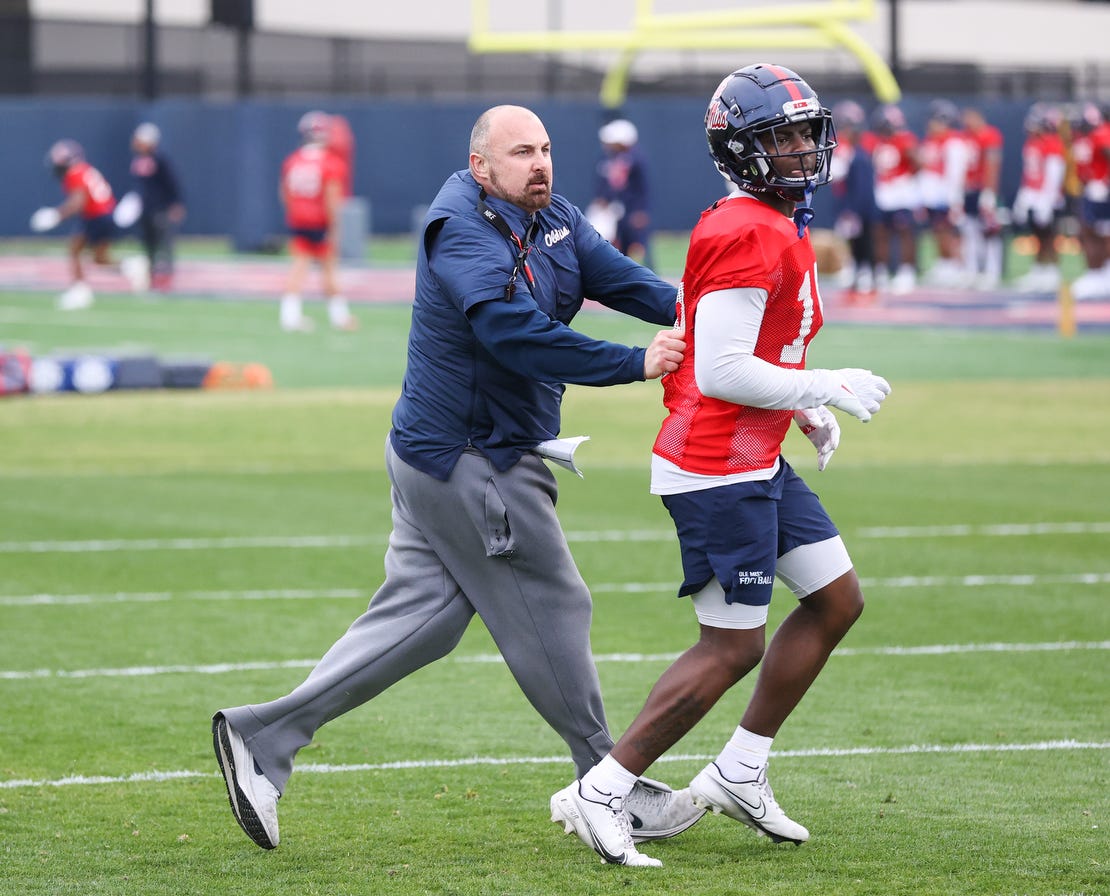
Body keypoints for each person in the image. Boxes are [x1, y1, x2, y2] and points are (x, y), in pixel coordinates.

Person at [212, 104, 702, 855]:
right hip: (473, 459)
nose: (540, 164)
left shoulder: (551, 215)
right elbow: (511, 331)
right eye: (521, 153)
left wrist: (713, 311)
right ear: (481, 167)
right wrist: (632, 362)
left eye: (545, 148)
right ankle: (609, 783)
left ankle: (264, 736)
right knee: (556, 604)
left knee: (425, 622)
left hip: (439, 451)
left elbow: (623, 280)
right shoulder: (461, 227)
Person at [550, 63, 892, 867]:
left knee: (836, 599)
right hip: (715, 464)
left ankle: (740, 771)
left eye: (806, 132)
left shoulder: (773, 219)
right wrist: (825, 385)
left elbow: (746, 348)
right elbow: (721, 368)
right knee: (732, 647)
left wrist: (797, 407)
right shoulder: (748, 228)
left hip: (753, 453)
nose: (801, 148)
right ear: (740, 149)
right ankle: (602, 790)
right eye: (781, 135)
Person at [277, 110, 357, 332]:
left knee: (298, 267)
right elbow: (332, 199)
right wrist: (335, 227)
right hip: (320, 223)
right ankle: (340, 317)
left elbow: (284, 193)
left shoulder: (293, 160)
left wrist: (294, 213)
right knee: (330, 268)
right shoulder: (331, 163)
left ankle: (289, 315)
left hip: (299, 221)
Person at [35, 139, 118, 310]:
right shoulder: (85, 170)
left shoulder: (75, 173)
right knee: (98, 257)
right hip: (104, 213)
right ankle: (132, 268)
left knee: (75, 250)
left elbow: (77, 202)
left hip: (97, 215)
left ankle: (80, 291)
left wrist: (56, 216)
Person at [863, 103, 921, 295]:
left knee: (905, 233)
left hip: (901, 194)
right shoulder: (874, 141)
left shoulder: (905, 140)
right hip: (882, 192)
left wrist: (905, 179)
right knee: (880, 233)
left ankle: (907, 272)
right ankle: (880, 271)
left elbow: (918, 163)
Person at [827, 100, 879, 303]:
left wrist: (854, 209)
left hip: (860, 206)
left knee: (864, 241)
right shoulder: (846, 151)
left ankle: (867, 275)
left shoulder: (861, 154)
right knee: (853, 241)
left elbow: (862, 187)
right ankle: (857, 273)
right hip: (850, 204)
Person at [1012, 103, 1067, 293]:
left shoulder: (1052, 142)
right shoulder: (1031, 143)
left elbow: (1054, 174)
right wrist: (1023, 196)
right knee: (1037, 235)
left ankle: (1053, 271)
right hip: (1033, 194)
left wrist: (1048, 200)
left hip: (1047, 197)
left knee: (1049, 236)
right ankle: (1039, 269)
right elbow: (1029, 172)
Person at [918, 99, 970, 287]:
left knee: (950, 231)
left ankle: (957, 266)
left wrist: (954, 199)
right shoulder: (931, 141)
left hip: (946, 195)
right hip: (933, 194)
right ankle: (944, 263)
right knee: (938, 230)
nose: (930, 124)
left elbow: (955, 173)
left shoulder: (953, 143)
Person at [588, 119, 654, 266]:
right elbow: (606, 185)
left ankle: (649, 274)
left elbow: (642, 187)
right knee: (619, 246)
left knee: (639, 246)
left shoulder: (636, 159)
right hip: (617, 209)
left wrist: (641, 210)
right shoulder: (610, 158)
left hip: (631, 209)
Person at [129, 122, 186, 292]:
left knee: (164, 244)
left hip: (160, 209)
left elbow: (172, 183)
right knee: (148, 244)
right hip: (145, 209)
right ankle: (151, 277)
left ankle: (166, 279)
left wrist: (176, 204)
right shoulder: (138, 159)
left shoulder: (160, 159)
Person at [1066, 101, 1110, 300]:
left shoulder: (1101, 134)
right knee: (1090, 232)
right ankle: (1099, 275)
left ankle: (1100, 275)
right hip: (1092, 188)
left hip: (1100, 190)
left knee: (1097, 233)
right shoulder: (1086, 137)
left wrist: (1105, 182)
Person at [960, 107, 1005, 290]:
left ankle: (992, 271)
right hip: (969, 189)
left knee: (989, 231)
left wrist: (989, 192)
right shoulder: (965, 136)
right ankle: (972, 270)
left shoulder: (989, 135)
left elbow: (992, 163)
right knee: (970, 232)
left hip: (983, 188)